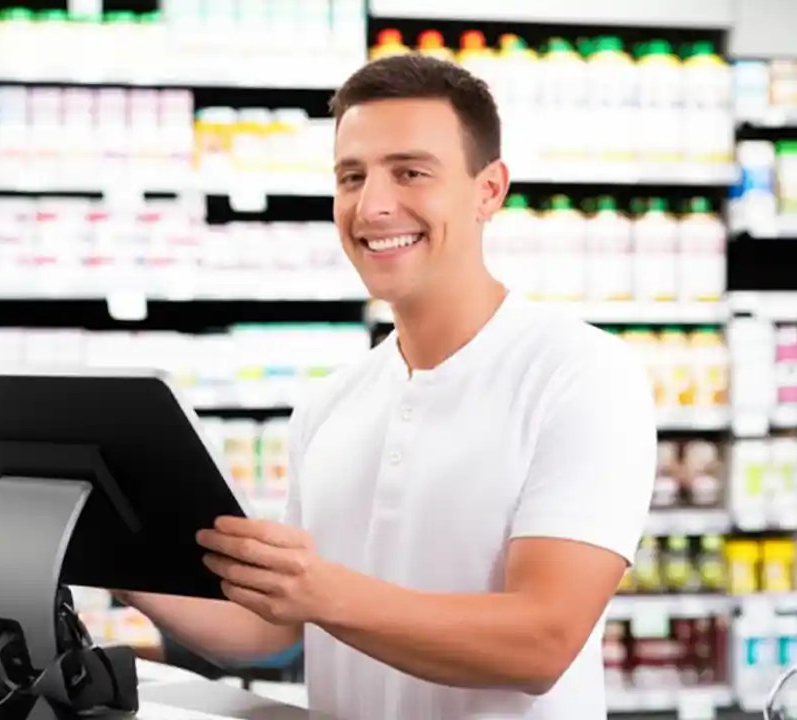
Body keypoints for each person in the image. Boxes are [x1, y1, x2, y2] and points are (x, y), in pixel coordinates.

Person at [116, 54, 657, 719]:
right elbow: (274, 629)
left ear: (489, 190)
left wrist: (323, 593)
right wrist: (114, 553)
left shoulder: (580, 374)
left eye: (410, 172)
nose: (371, 206)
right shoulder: (330, 403)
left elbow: (541, 643)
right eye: (351, 176)